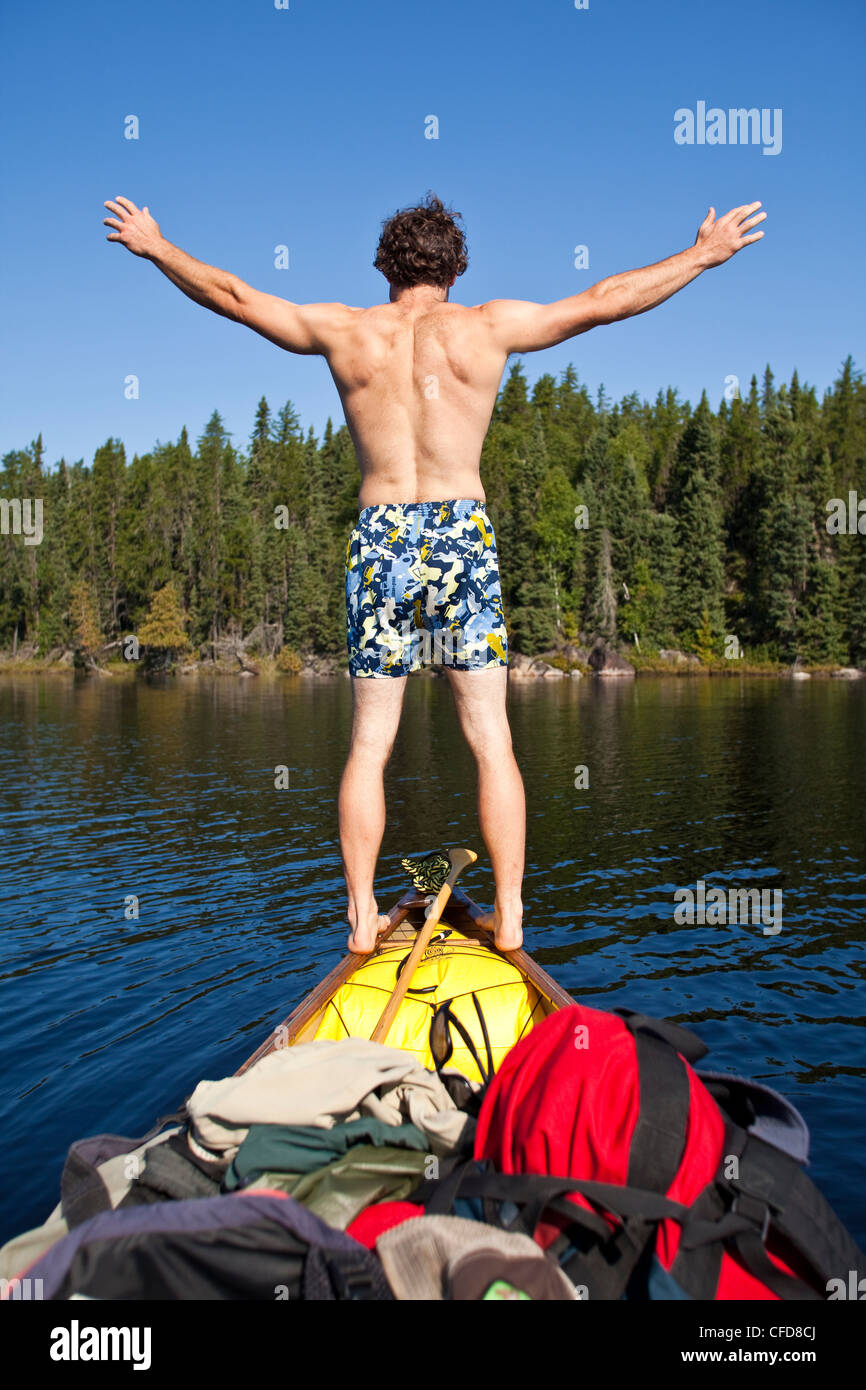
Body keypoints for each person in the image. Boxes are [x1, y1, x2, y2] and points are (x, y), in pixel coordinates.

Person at [104, 191, 766, 953]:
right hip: (460, 534)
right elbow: (603, 301)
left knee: (369, 743)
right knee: (492, 739)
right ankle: (510, 919)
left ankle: (360, 923)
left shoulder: (346, 330)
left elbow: (235, 296)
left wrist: (157, 247)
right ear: (455, 268)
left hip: (383, 534)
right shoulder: (487, 326)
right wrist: (702, 255)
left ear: (386, 266)